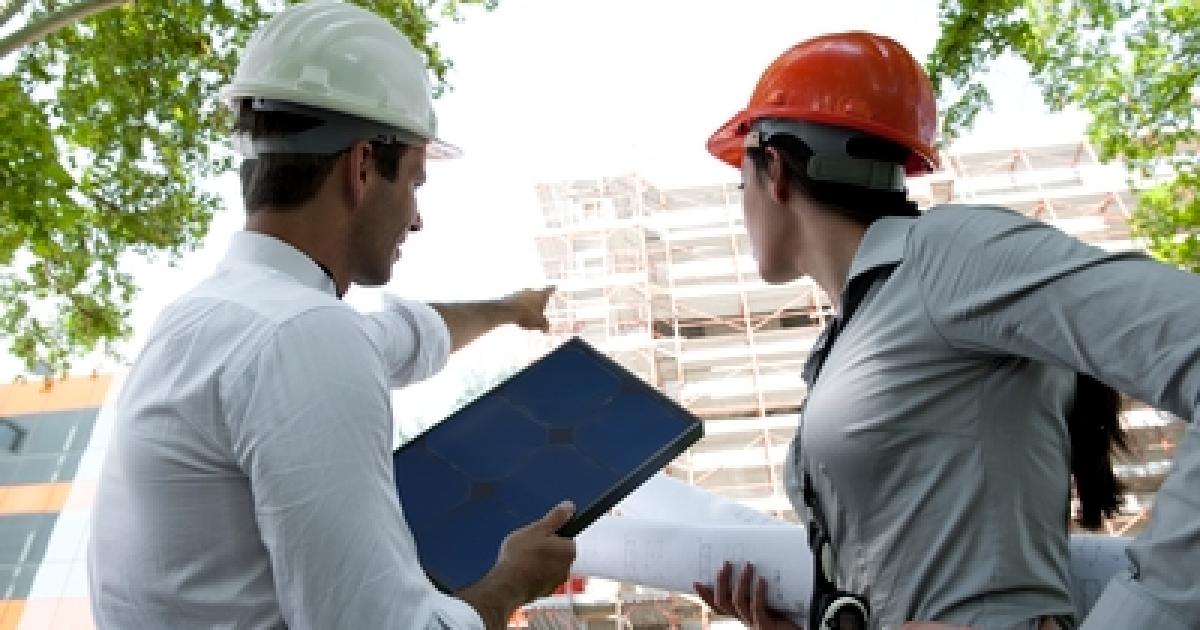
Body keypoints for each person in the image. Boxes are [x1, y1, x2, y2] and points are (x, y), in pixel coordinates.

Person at [87, 3, 574, 629]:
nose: (417, 219)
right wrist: (512, 582)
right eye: (415, 183)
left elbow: (406, 336)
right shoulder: (301, 336)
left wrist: (507, 310)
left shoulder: (211, 320)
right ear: (362, 166)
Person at [691, 32, 1200, 630]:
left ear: (773, 170)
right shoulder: (848, 335)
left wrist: (1138, 616)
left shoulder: (945, 256)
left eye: (741, 181)